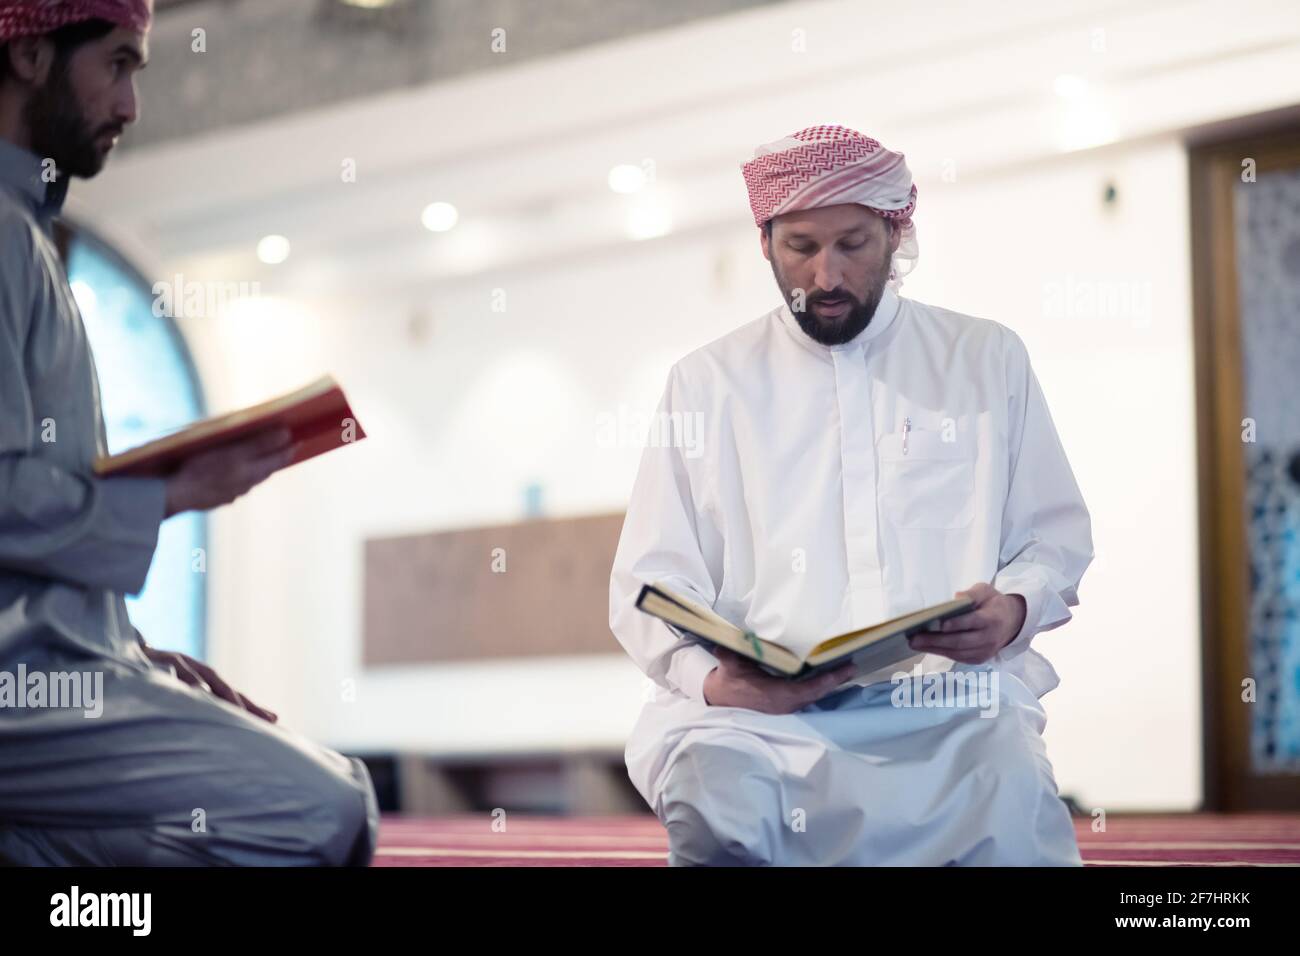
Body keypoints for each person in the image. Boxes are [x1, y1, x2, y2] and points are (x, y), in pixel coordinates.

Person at [609, 124, 1094, 865]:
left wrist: (1012, 609)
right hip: (761, 721)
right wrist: (713, 681)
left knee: (1008, 788)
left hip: (944, 709)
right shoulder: (706, 383)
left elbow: (1052, 537)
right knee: (713, 798)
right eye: (801, 247)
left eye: (853, 244)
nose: (826, 276)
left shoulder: (983, 358)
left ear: (897, 233)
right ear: (765, 243)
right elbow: (649, 578)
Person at [0, 0, 378, 866]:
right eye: (119, 64)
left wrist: (130, 649)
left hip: (57, 671)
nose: (131, 107)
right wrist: (172, 490)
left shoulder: (25, 233)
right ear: (28, 57)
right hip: (22, 690)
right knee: (322, 811)